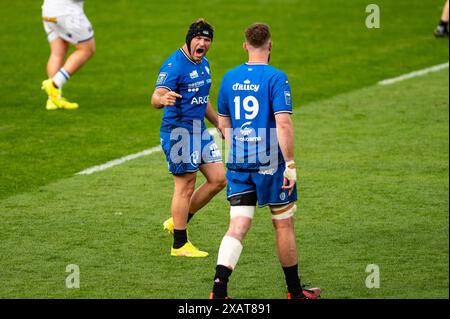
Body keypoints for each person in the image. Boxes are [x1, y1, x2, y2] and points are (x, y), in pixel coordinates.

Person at [210, 23, 321, 299]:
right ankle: (295, 293)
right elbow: (283, 124)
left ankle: (219, 290)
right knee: (283, 223)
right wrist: (291, 164)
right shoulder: (276, 78)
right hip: (271, 163)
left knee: (238, 225)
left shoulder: (229, 78)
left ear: (245, 45)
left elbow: (224, 126)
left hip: (238, 163)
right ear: (270, 45)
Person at [151, 19, 227, 258]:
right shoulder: (175, 65)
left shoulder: (203, 63)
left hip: (199, 130)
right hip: (178, 132)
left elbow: (201, 99)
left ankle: (178, 221)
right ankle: (179, 244)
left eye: (207, 40)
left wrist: (218, 122)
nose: (202, 43)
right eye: (199, 38)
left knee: (219, 179)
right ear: (189, 39)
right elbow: (156, 95)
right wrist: (162, 100)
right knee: (185, 186)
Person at [41, 0, 96, 110]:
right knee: (86, 49)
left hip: (48, 10)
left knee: (58, 51)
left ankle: (52, 100)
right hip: (67, 12)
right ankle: (55, 84)